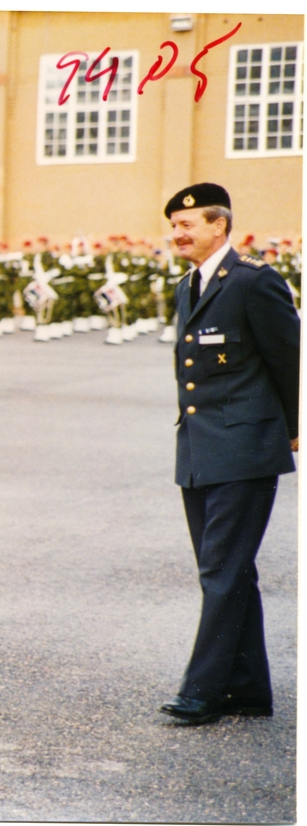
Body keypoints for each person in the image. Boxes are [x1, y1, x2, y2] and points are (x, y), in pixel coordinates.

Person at [158, 183, 300, 726]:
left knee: (221, 570)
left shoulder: (253, 282)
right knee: (229, 570)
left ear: (219, 226)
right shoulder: (187, 286)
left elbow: (290, 356)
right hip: (199, 449)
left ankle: (203, 691)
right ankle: (247, 689)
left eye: (187, 224)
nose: (178, 233)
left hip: (245, 447)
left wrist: (292, 427)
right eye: (173, 225)